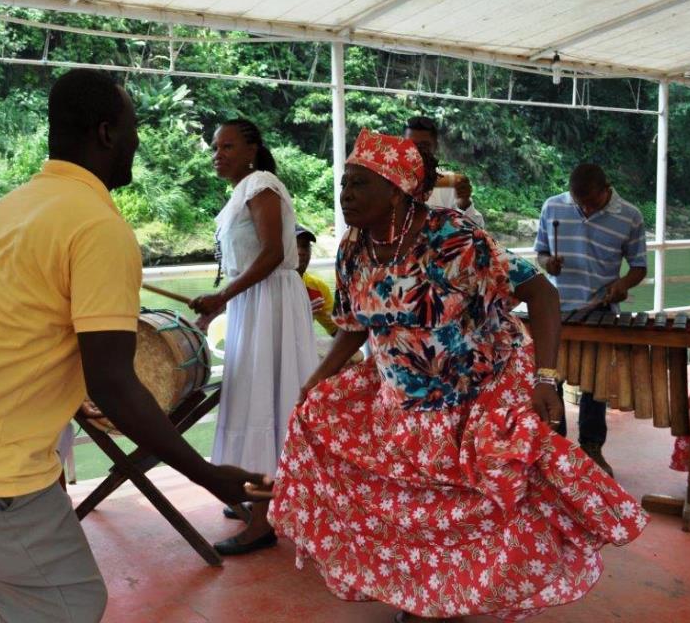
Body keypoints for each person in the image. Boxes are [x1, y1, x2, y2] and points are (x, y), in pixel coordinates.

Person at [0, 69, 268, 623]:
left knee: (23, 604)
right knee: (69, 605)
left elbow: (9, 325)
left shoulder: (15, 204)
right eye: (133, 127)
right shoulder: (99, 227)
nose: (138, 140)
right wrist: (205, 474)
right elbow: (111, 380)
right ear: (106, 133)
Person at [268, 130, 647, 622]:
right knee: (410, 508)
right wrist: (317, 379)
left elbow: (542, 293)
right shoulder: (353, 250)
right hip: (402, 402)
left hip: (477, 395)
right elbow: (354, 325)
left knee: (491, 502)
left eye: (359, 184)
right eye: (344, 184)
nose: (345, 195)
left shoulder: (454, 239)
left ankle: (474, 590)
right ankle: (426, 595)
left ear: (398, 189)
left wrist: (545, 380)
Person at [189, 119, 318, 556]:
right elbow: (248, 264)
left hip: (271, 305)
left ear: (252, 149)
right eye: (215, 147)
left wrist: (225, 294)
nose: (218, 154)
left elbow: (273, 254)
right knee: (253, 397)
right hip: (256, 303)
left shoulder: (262, 183)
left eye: (227, 146)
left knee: (267, 400)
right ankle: (263, 492)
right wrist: (220, 306)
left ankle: (263, 519)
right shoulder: (242, 189)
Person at [535, 163, 647, 477]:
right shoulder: (553, 206)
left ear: (605, 188)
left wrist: (622, 285)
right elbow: (540, 253)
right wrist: (549, 264)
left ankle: (591, 448)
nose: (584, 207)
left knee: (594, 386)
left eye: (591, 202)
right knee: (549, 381)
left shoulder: (630, 215)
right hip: (557, 311)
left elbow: (639, 267)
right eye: (578, 201)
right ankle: (556, 450)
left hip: (599, 313)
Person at [404, 115, 485, 228]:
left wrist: (464, 204)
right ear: (401, 146)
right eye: (411, 145)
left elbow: (477, 229)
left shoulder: (450, 184)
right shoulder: (387, 181)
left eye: (425, 145)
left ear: (435, 146)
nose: (418, 151)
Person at [296, 224, 336, 336]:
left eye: (304, 246)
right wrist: (299, 315)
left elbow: (336, 330)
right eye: (294, 246)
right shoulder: (268, 286)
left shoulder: (317, 287)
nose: (301, 251)